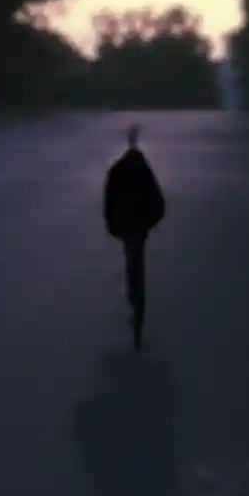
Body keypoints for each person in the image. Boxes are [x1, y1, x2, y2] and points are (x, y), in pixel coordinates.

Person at [104, 124, 166, 351]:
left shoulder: (117, 170)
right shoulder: (143, 170)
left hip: (126, 224)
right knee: (136, 260)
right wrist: (153, 221)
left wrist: (112, 225)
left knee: (132, 261)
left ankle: (135, 299)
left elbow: (108, 201)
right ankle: (138, 300)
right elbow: (159, 200)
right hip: (139, 225)